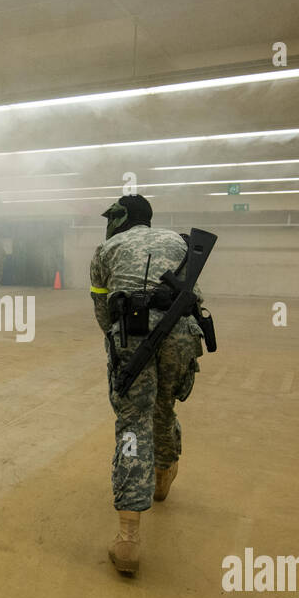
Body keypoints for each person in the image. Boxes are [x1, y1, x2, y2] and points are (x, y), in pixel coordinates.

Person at [89, 196, 203, 575]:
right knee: (164, 406)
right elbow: (195, 297)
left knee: (133, 421)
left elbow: (103, 315)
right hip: (181, 334)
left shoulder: (106, 249)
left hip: (132, 336)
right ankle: (163, 471)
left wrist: (122, 345)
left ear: (122, 220)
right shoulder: (181, 243)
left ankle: (127, 540)